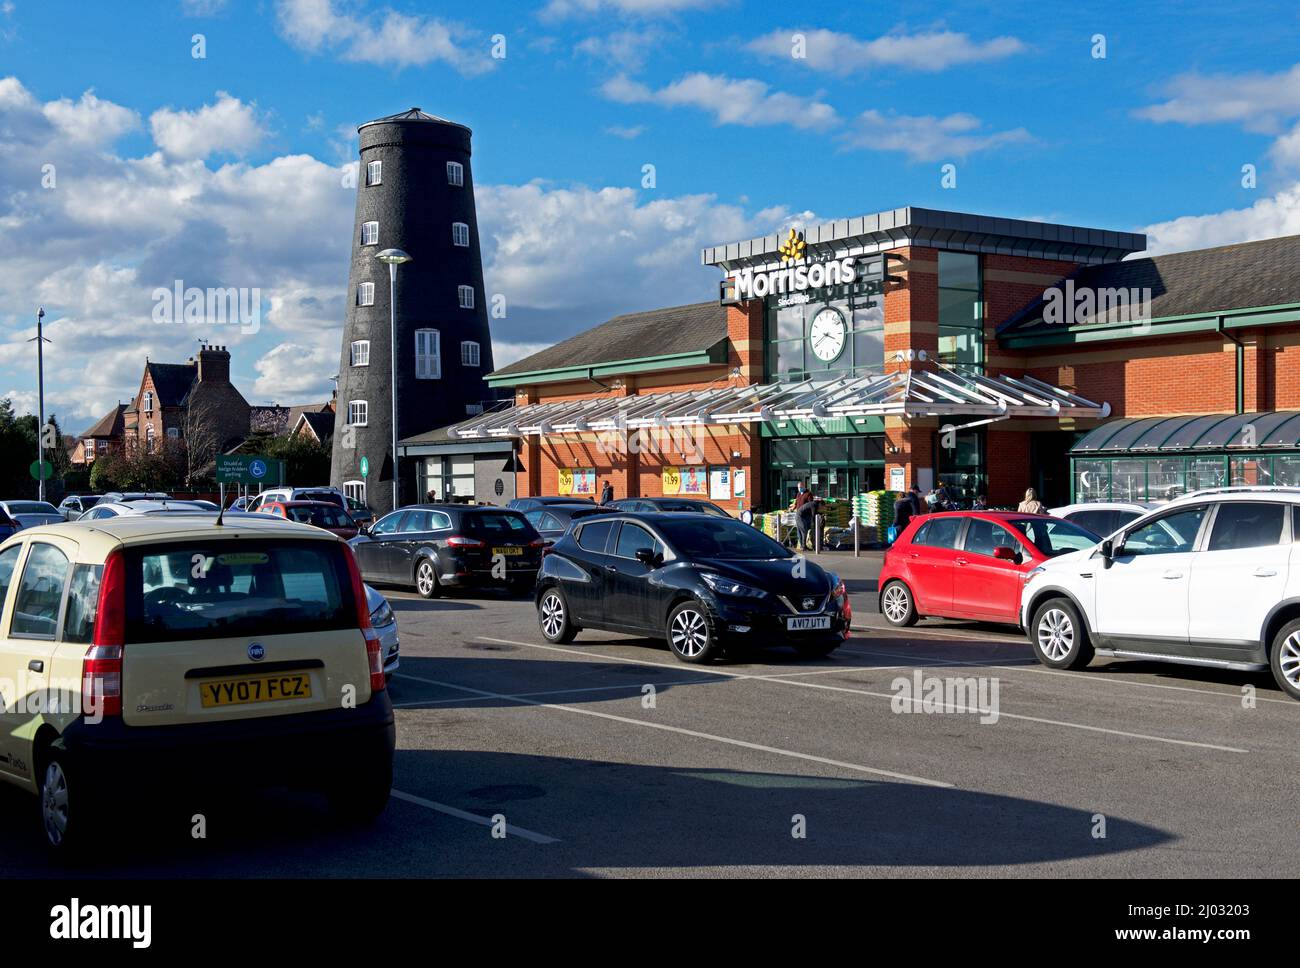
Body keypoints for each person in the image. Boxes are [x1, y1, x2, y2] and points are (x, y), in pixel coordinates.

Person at [793, 480, 817, 551]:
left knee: (804, 530)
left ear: (804, 486)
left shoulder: (808, 494)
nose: (799, 489)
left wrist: (812, 516)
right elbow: (796, 503)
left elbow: (811, 505)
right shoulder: (798, 494)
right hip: (798, 514)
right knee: (799, 531)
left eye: (800, 487)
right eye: (798, 487)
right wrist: (793, 508)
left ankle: (804, 545)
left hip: (805, 515)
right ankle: (801, 545)